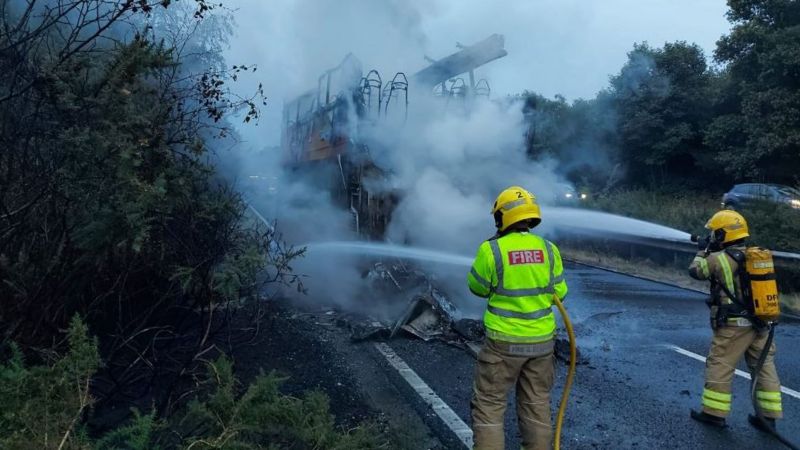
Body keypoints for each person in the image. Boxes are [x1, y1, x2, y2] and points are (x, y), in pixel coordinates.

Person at [467, 186, 568, 450]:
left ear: (501, 217)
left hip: (503, 343)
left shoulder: (492, 250)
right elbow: (561, 292)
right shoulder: (548, 249)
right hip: (542, 344)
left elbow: (477, 288)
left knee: (489, 405)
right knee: (536, 405)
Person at [688, 209, 783, 430]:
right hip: (761, 323)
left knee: (720, 364)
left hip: (733, 326)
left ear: (722, 235)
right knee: (763, 366)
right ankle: (767, 418)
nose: (711, 236)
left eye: (714, 233)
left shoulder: (717, 259)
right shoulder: (755, 255)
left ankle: (714, 413)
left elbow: (696, 271)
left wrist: (703, 250)